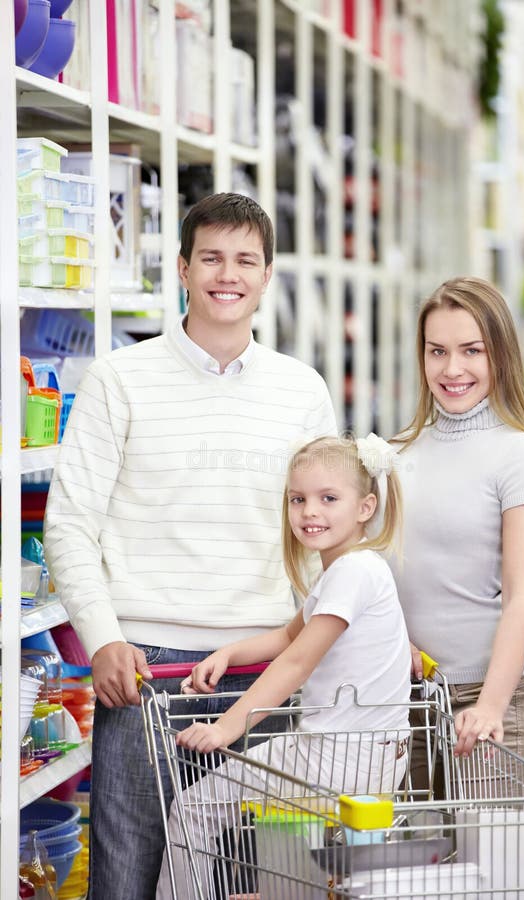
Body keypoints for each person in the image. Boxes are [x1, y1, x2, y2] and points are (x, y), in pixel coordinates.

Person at [43, 193, 337, 900]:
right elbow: (70, 520)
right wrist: (104, 638)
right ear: (182, 267)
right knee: (127, 878)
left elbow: (331, 537)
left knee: (255, 883)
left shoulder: (302, 391)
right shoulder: (120, 380)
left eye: (245, 260)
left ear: (267, 276)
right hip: (144, 674)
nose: (226, 274)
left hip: (267, 673)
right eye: (210, 257)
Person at [155, 433, 412, 899]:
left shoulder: (352, 573)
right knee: (301, 862)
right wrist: (230, 654)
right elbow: (290, 636)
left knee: (195, 810)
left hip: (333, 757)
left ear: (366, 507)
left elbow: (296, 660)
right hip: (371, 755)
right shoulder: (352, 569)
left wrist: (225, 730)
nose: (310, 511)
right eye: (299, 499)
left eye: (328, 498)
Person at [391, 276, 524, 785]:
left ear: (499, 355)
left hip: (498, 704)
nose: (452, 369)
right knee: (416, 863)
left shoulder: (520, 454)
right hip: (407, 703)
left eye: (471, 350)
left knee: (492, 864)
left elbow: (522, 600)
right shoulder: (396, 453)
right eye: (437, 351)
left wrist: (488, 706)